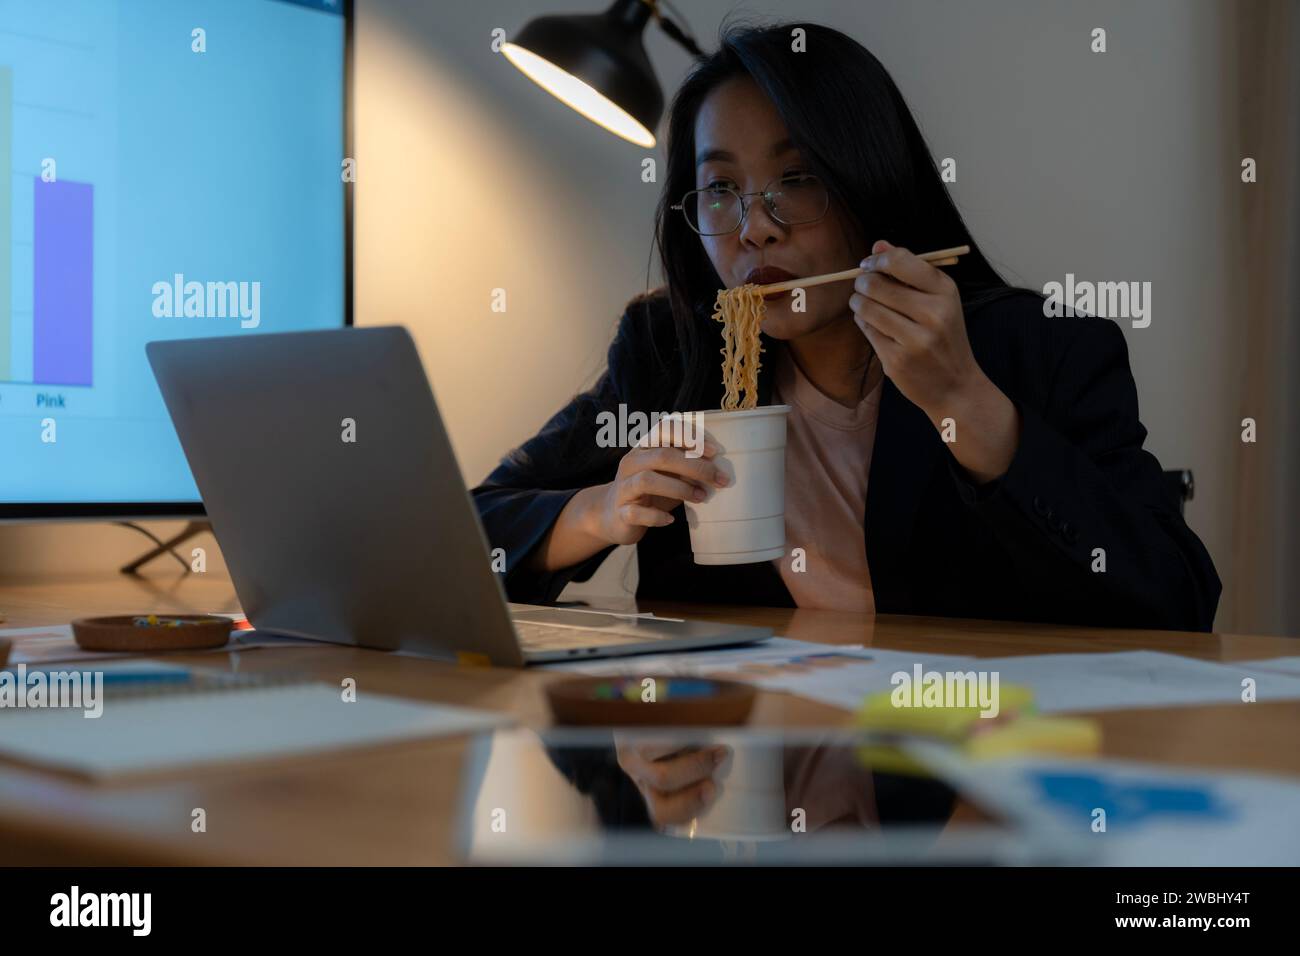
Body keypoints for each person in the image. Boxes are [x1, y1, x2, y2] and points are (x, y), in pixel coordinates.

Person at [472, 21, 1221, 634]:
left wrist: (966, 404)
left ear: (871, 185)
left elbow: (1178, 600)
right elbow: (467, 531)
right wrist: (598, 511)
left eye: (797, 181)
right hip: (738, 774)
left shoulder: (1035, 350)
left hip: (967, 778)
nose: (755, 229)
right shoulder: (671, 352)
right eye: (719, 190)